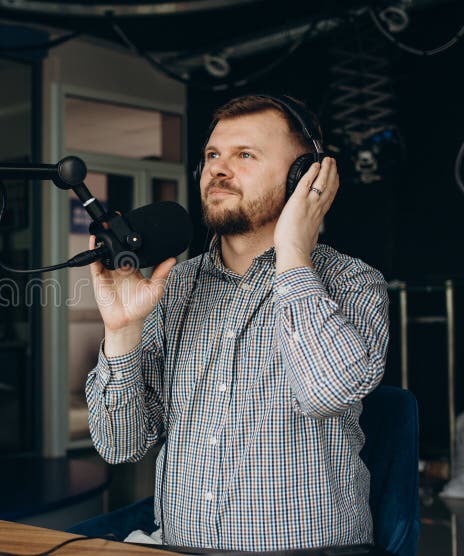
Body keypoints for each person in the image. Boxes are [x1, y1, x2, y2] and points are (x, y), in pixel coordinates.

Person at [82, 94, 388, 551]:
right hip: (181, 546)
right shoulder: (176, 286)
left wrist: (294, 256)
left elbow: (328, 392)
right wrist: (123, 333)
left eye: (245, 155)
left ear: (304, 177)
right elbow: (119, 445)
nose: (218, 170)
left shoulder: (351, 280)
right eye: (211, 156)